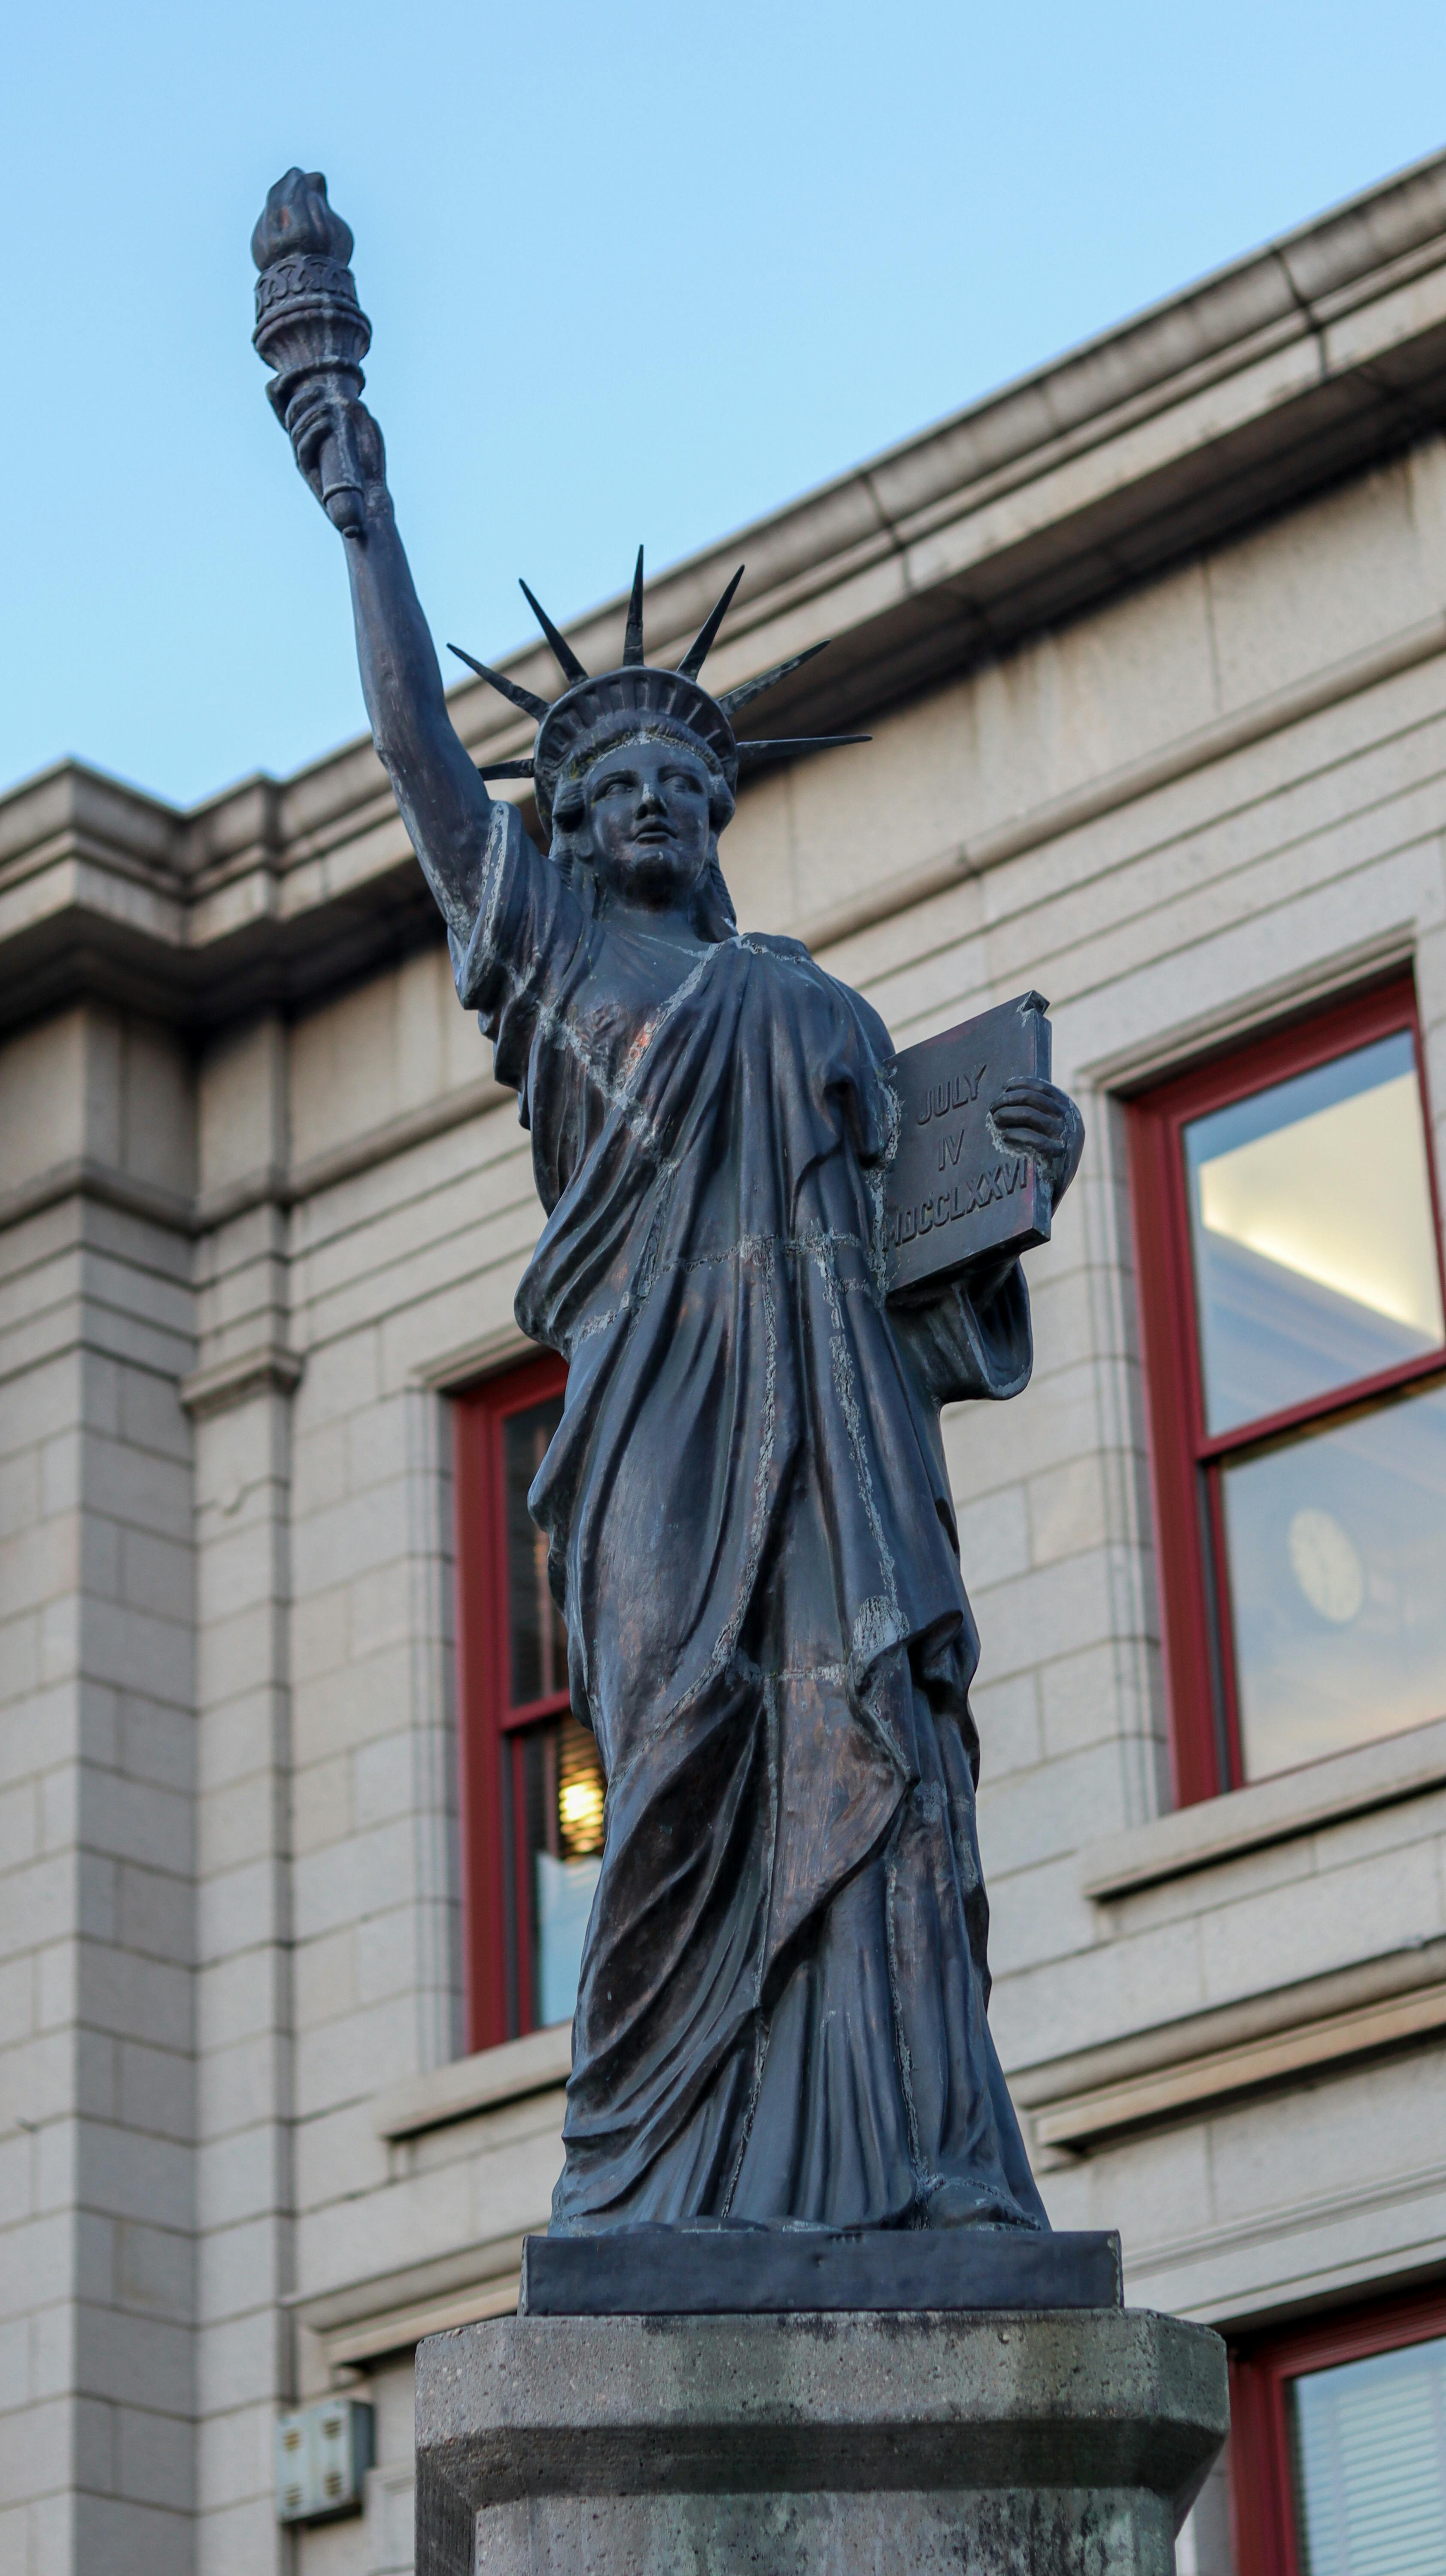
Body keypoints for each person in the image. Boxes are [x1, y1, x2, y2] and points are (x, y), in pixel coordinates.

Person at [270, 311, 1084, 2238]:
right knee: (681, 1758)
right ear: (566, 828)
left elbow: (909, 1277)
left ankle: (917, 2168)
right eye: (613, 780)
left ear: (715, 821)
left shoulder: (811, 1006)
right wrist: (360, 500)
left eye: (678, 781)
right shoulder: (551, 967)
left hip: (844, 1445)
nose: (648, 797)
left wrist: (1015, 1173)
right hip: (655, 1435)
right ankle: (640, 2179)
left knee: (878, 1752)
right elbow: (416, 751)